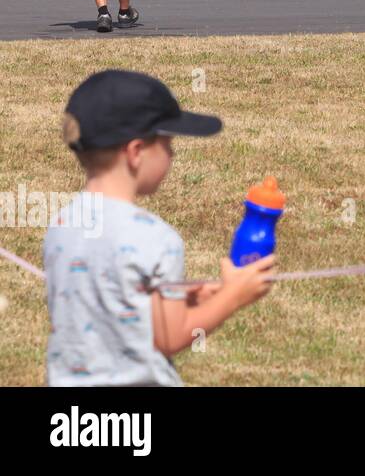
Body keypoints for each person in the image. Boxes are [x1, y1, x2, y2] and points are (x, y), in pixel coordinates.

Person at [44, 70, 276, 386]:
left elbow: (106, 303)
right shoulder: (154, 238)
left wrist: (185, 298)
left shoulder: (61, 224)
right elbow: (170, 338)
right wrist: (234, 296)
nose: (172, 153)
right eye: (167, 143)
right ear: (136, 152)